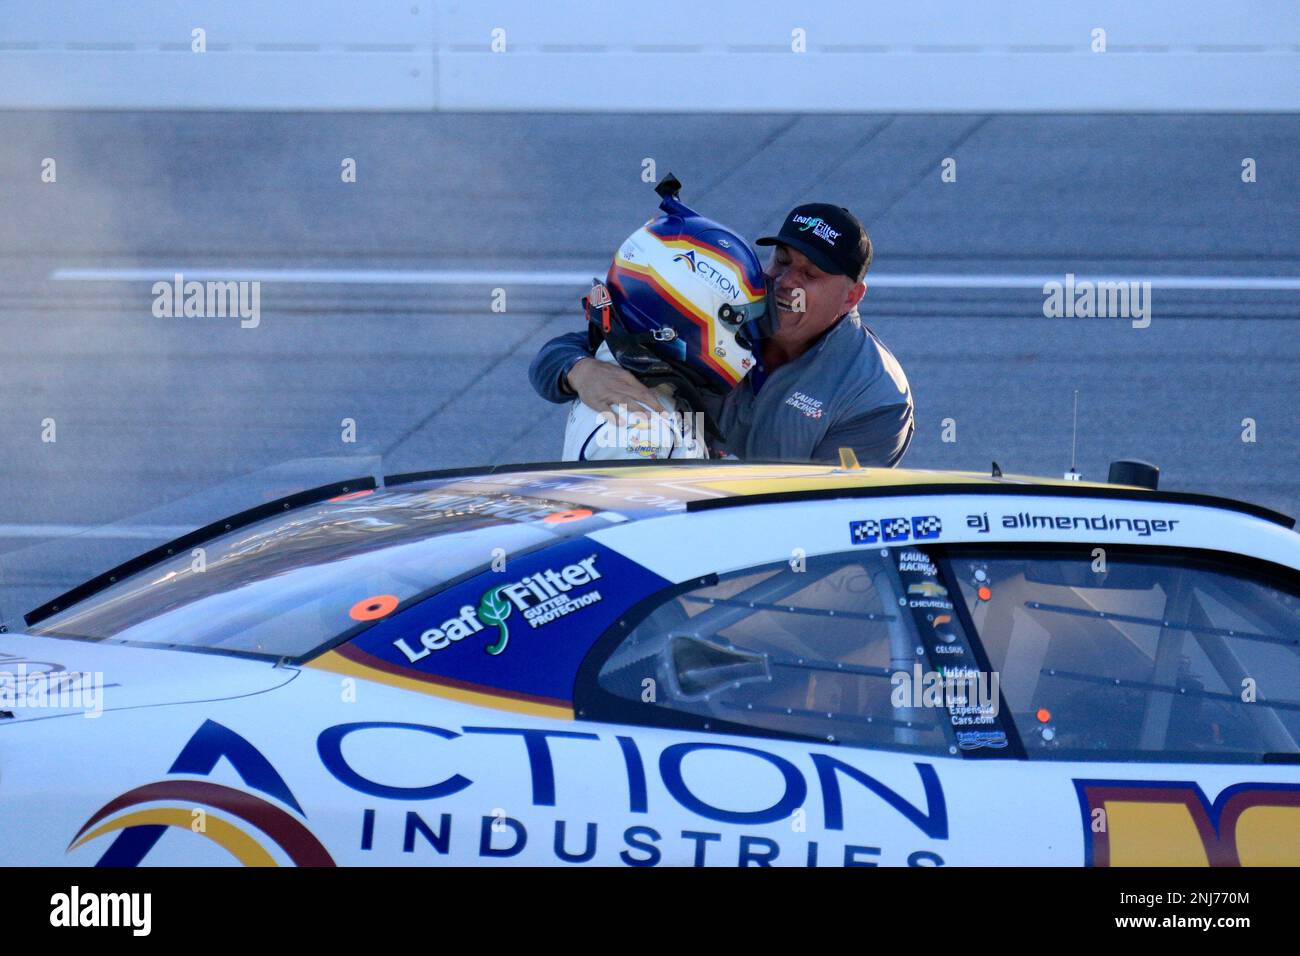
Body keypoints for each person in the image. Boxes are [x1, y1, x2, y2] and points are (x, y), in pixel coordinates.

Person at [530, 198, 914, 466]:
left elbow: (834, 521)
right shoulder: (723, 307)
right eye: (781, 261)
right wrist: (580, 370)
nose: (784, 283)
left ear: (851, 296)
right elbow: (573, 349)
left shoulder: (876, 398)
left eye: (810, 275)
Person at [560, 175, 773, 460]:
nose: (746, 338)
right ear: (681, 320)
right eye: (735, 321)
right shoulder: (638, 429)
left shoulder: (644, 385)